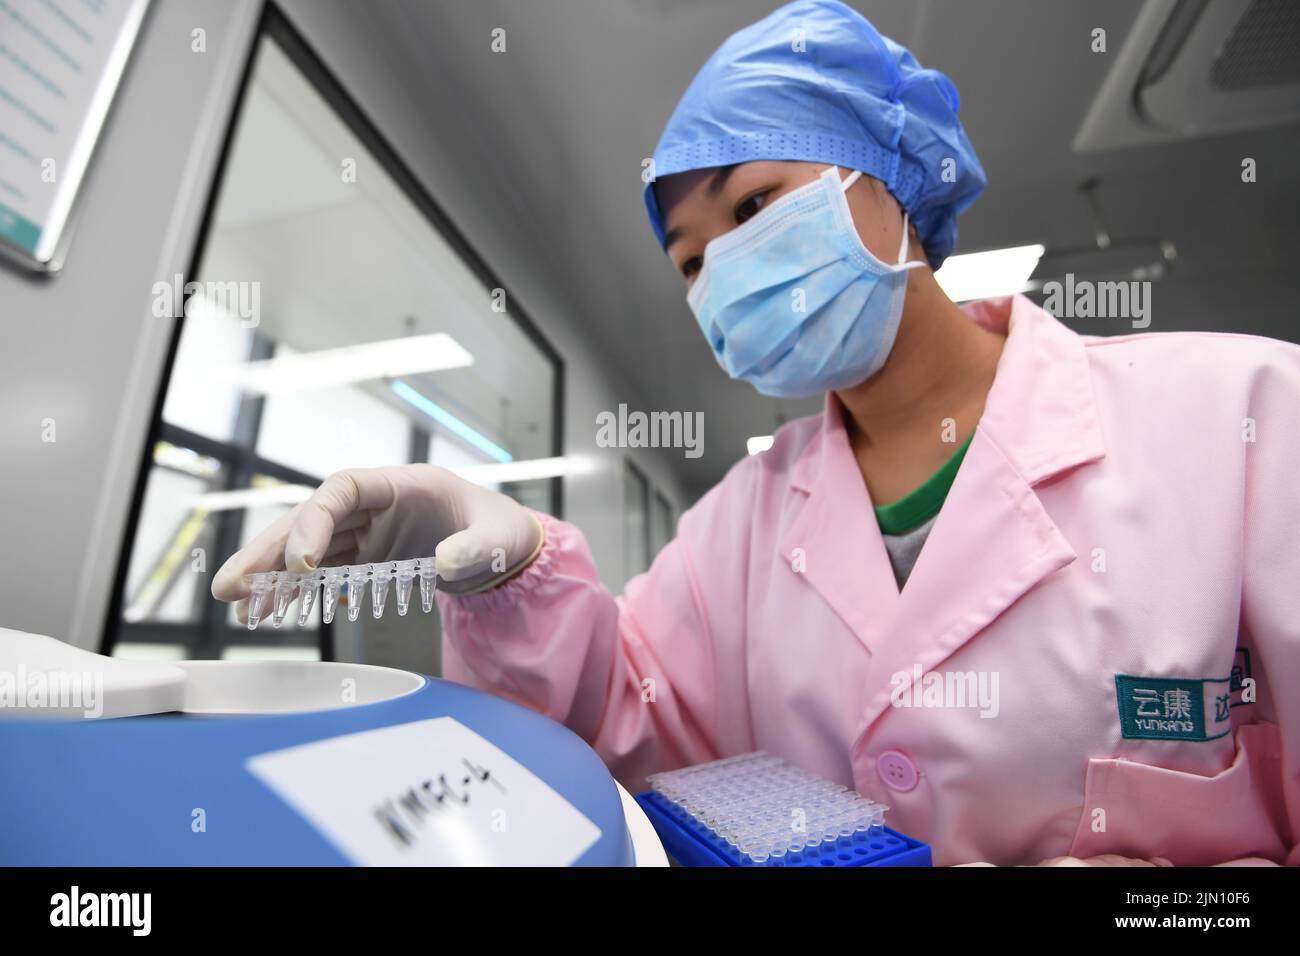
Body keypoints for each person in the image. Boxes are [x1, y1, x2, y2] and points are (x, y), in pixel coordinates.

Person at [213, 0, 1299, 866]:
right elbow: (616, 732)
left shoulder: (1245, 420)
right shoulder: (734, 529)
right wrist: (505, 580)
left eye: (749, 207)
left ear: (892, 174)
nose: (723, 268)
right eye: (689, 260)